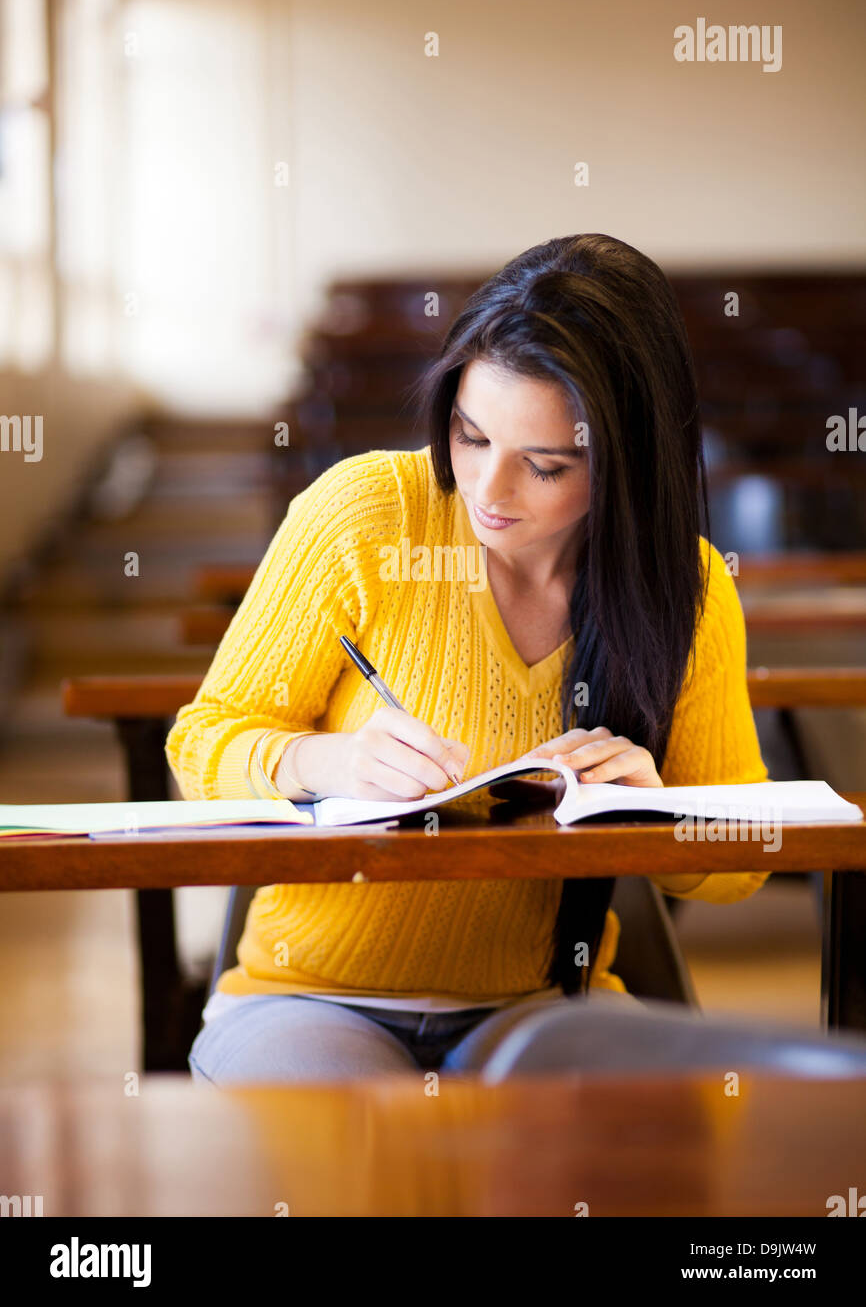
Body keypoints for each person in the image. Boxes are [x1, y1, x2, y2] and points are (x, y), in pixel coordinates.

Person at [166, 232, 772, 1085]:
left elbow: (744, 862)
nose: (489, 491)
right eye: (471, 435)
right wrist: (323, 759)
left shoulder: (690, 586)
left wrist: (662, 817)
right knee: (362, 1163)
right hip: (309, 999)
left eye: (546, 465)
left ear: (628, 457)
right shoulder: (365, 514)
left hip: (541, 1006)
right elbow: (201, 743)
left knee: (655, 1148)